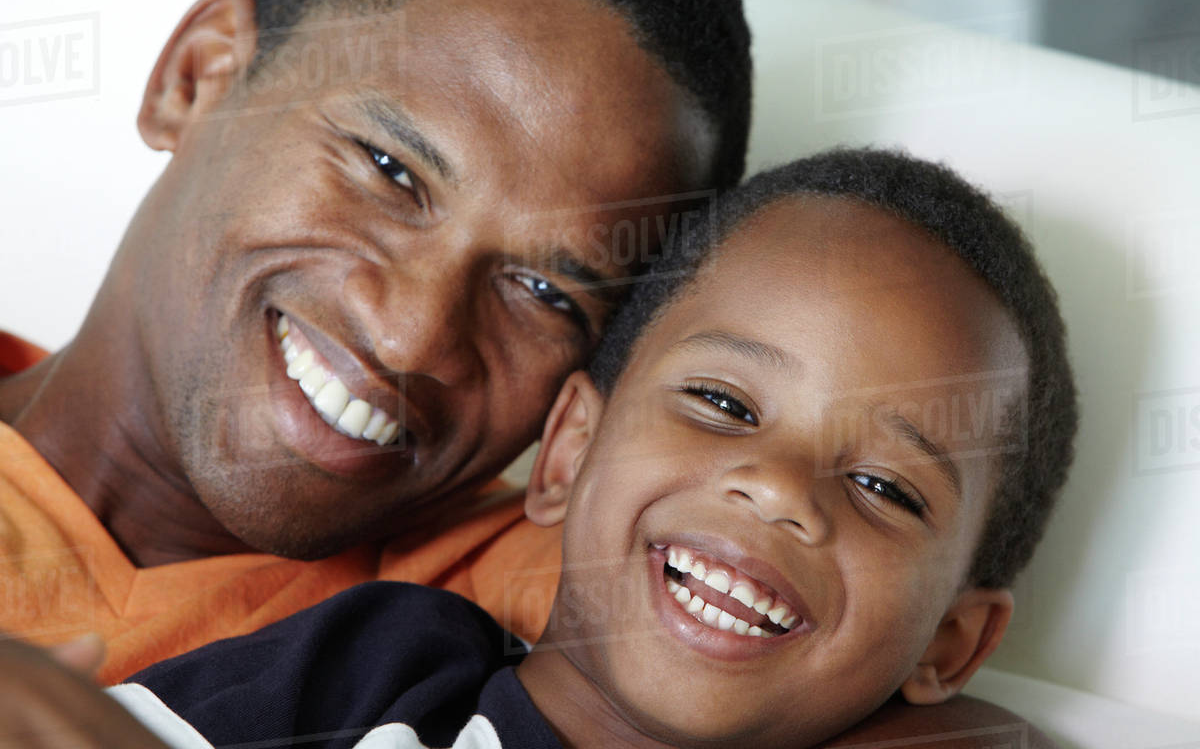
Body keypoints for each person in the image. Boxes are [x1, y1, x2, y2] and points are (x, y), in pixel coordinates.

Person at [110, 148, 1077, 748]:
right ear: (568, 451)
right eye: (722, 402)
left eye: (882, 486)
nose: (777, 488)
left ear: (951, 645)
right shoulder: (374, 668)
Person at [0, 0, 750, 681]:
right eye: (391, 171)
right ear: (197, 78)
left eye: (546, 294)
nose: (411, 336)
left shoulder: (551, 599)